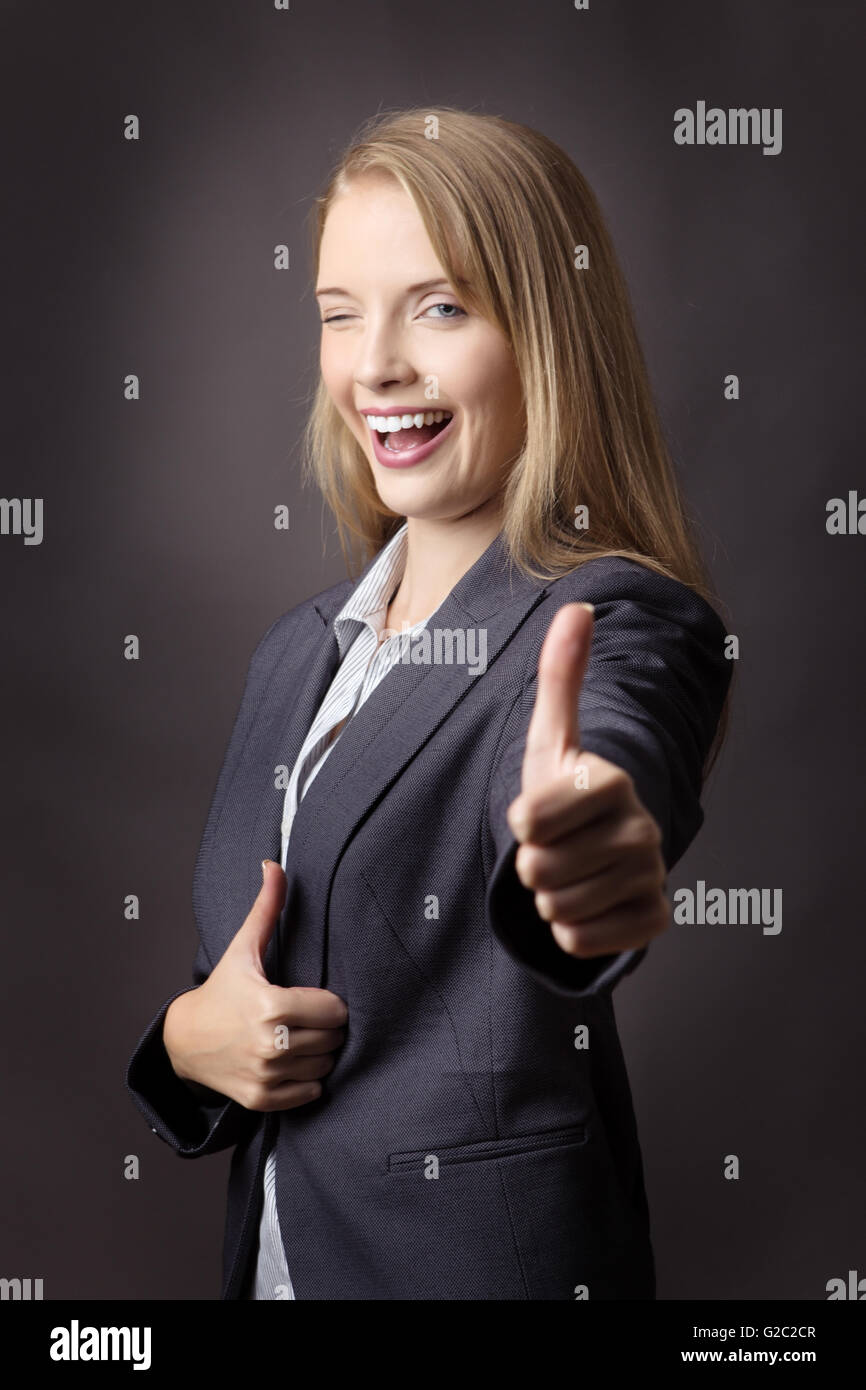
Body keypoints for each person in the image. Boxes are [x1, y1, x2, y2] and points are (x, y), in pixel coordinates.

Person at [126, 107, 732, 1301]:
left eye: (439, 307)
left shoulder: (612, 617)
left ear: (544, 336)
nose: (374, 366)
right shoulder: (293, 658)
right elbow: (245, 990)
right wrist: (185, 1049)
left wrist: (589, 847)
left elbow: (614, 749)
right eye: (340, 315)